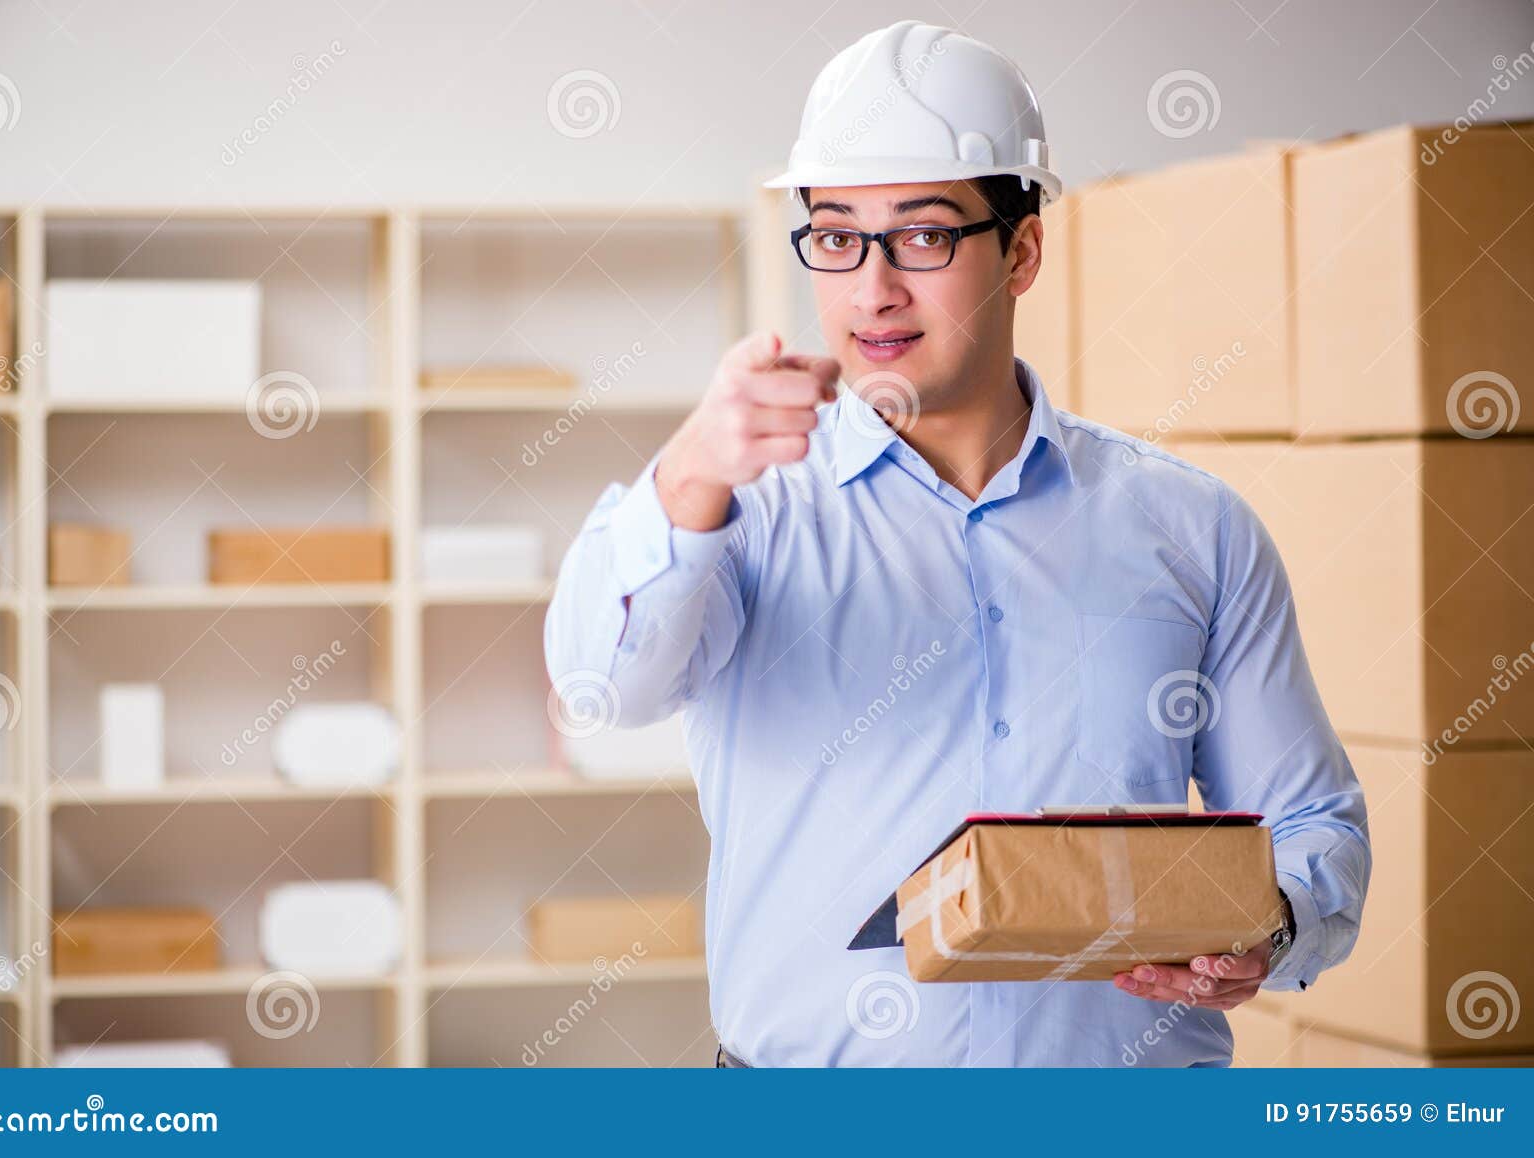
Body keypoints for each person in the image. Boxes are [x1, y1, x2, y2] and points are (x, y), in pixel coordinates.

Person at [544, 20, 1370, 1066]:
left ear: (1020, 250)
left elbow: (1315, 826)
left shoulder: (1189, 527)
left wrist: (1271, 926)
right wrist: (688, 476)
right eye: (836, 235)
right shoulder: (739, 506)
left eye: (923, 235)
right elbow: (599, 686)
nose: (872, 288)